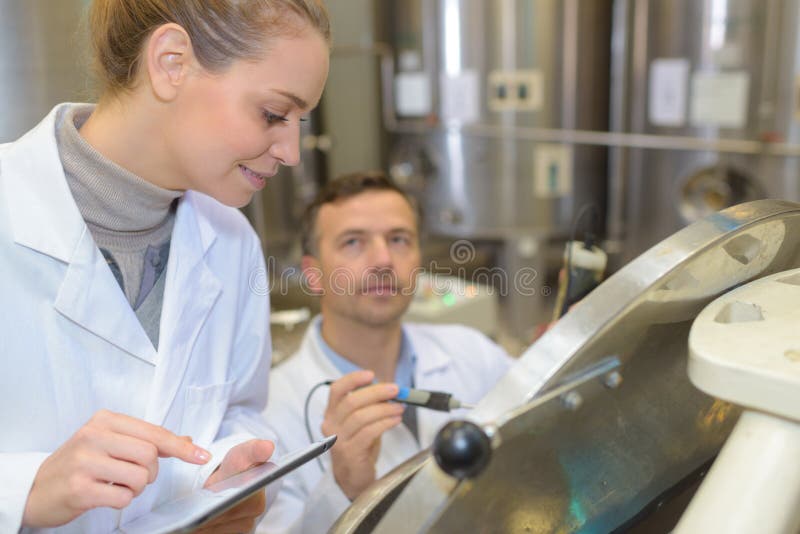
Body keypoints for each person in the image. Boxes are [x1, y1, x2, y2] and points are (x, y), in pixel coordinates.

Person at [0, 1, 329, 532]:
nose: (291, 151)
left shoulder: (231, 241)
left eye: (300, 120)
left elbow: (236, 410)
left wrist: (226, 469)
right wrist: (25, 490)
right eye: (273, 114)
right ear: (171, 62)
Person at [256, 172, 513, 533]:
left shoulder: (472, 352)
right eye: (353, 242)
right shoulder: (269, 415)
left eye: (398, 239)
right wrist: (343, 488)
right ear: (313, 275)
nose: (383, 259)